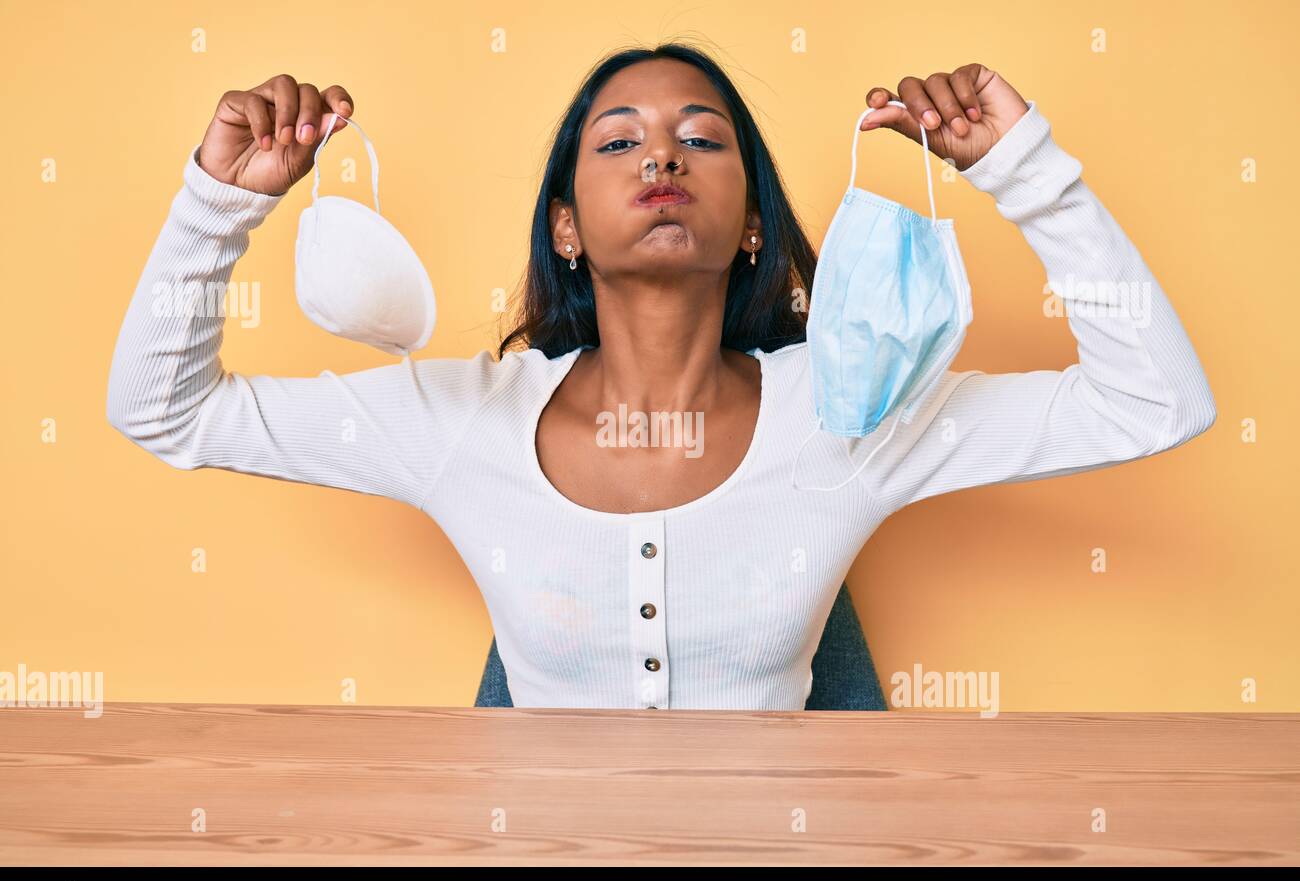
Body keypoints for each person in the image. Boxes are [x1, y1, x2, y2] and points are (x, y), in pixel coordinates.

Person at [106, 46, 1216, 711]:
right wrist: (220, 200)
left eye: (702, 138)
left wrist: (1024, 169)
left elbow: (1155, 399)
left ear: (749, 231)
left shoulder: (852, 418)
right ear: (566, 227)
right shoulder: (455, 421)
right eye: (618, 142)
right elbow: (161, 407)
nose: (662, 157)